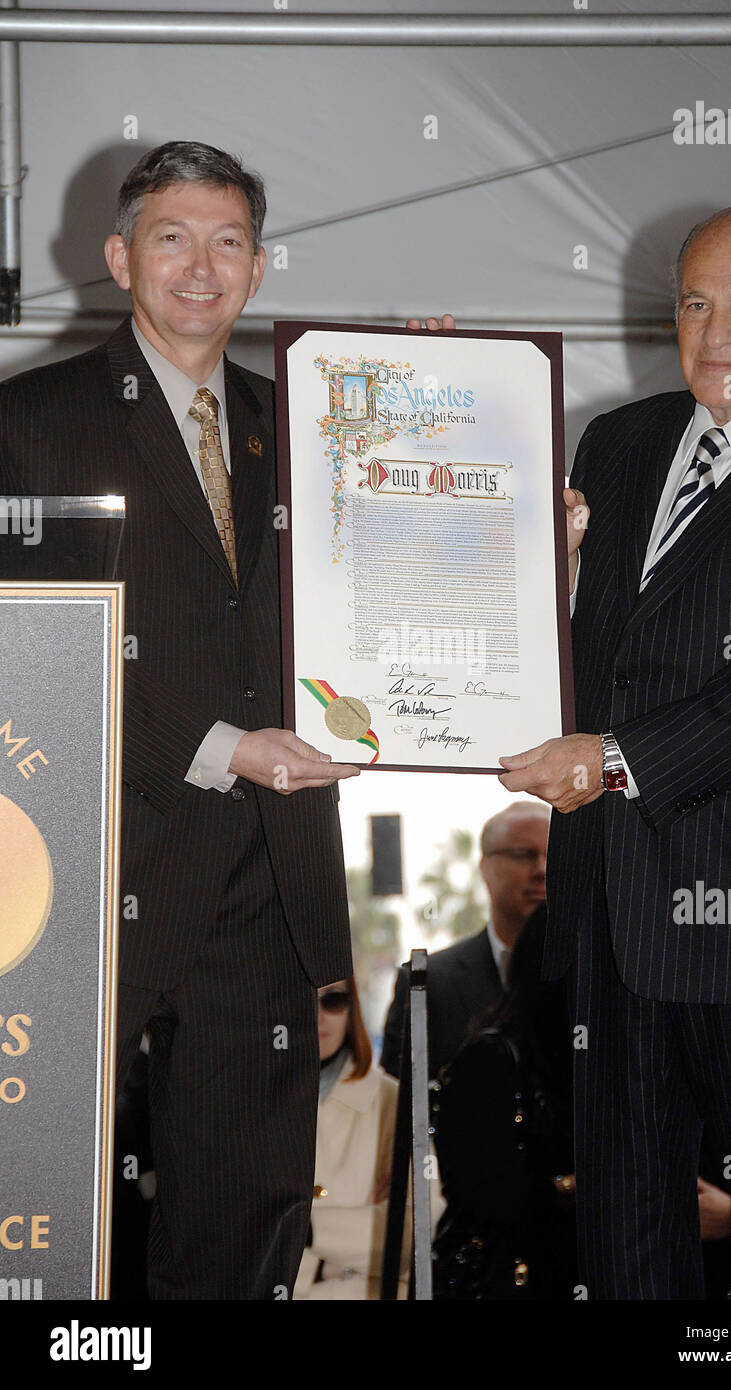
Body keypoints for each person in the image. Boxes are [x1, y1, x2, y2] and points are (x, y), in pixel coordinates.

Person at [0, 141, 362, 1299]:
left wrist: (470, 453)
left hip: (267, 869)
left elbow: (382, 586)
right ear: (118, 257)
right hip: (76, 866)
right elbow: (20, 647)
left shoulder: (313, 428)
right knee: (44, 1202)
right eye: (172, 237)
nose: (200, 267)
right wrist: (213, 747)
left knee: (245, 1212)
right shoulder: (28, 421)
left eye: (227, 242)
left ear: (258, 265)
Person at [499, 205, 731, 1299]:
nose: (712, 333)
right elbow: (577, 646)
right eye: (693, 303)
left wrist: (611, 759)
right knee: (625, 1239)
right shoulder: (617, 441)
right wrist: (453, 413)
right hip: (612, 918)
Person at [431, 909, 576, 1300]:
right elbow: (483, 1193)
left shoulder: (603, 1061)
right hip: (506, 1279)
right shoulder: (490, 1059)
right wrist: (575, 1188)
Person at [380, 802, 550, 1079]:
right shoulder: (426, 983)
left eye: (554, 854)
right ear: (485, 867)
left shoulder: (591, 977)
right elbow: (400, 1104)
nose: (542, 869)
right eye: (524, 855)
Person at [294, 979, 410, 1300]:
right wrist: (324, 1267)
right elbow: (232, 1233)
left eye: (333, 1000)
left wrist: (304, 1230)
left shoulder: (392, 1100)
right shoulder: (243, 1102)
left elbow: (411, 1234)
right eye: (303, 998)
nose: (318, 1016)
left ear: (353, 1007)